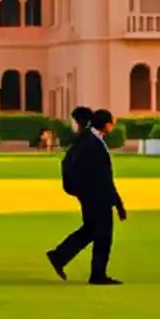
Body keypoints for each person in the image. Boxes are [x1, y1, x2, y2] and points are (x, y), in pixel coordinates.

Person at [47, 108, 126, 285]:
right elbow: (104, 177)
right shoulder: (92, 143)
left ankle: (59, 255)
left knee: (91, 230)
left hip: (91, 195)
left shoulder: (89, 140)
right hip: (96, 196)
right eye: (112, 123)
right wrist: (118, 204)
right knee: (103, 235)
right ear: (106, 125)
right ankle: (97, 274)